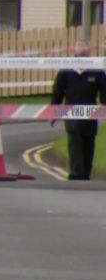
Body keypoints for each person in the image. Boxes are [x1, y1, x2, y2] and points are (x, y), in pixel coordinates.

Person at [50, 41, 106, 180]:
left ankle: (85, 173)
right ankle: (76, 174)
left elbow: (104, 91)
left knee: (88, 141)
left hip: (91, 112)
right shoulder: (66, 70)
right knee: (74, 140)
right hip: (71, 111)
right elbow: (58, 92)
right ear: (74, 54)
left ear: (89, 54)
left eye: (84, 55)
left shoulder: (96, 70)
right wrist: (53, 111)